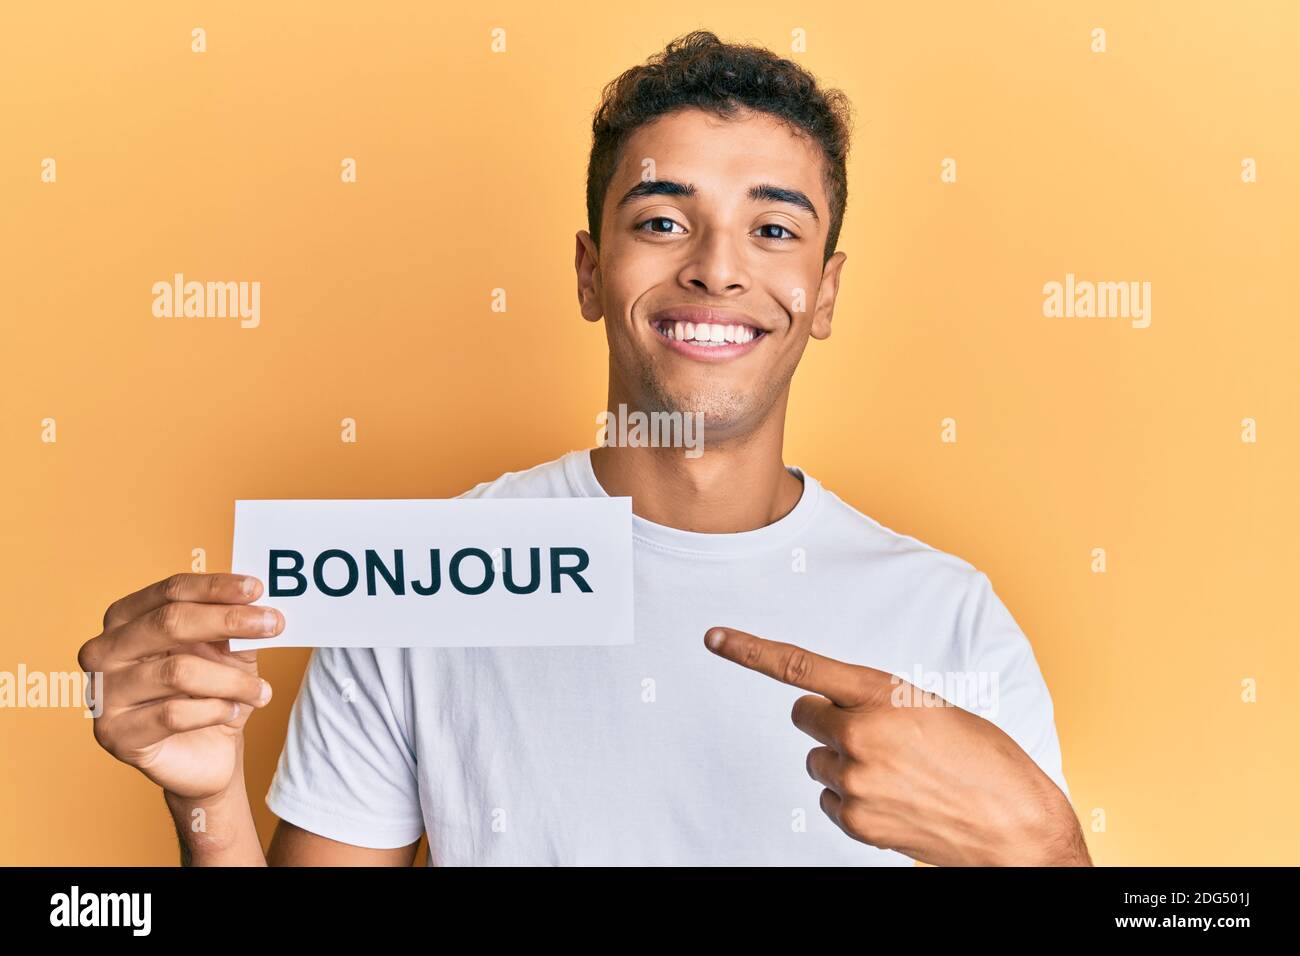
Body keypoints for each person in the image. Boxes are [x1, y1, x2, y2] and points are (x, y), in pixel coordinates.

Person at [79, 31, 1090, 866]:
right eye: (662, 219)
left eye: (773, 229)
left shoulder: (951, 617)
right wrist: (206, 803)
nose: (715, 269)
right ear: (589, 270)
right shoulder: (426, 574)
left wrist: (1044, 848)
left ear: (823, 293)